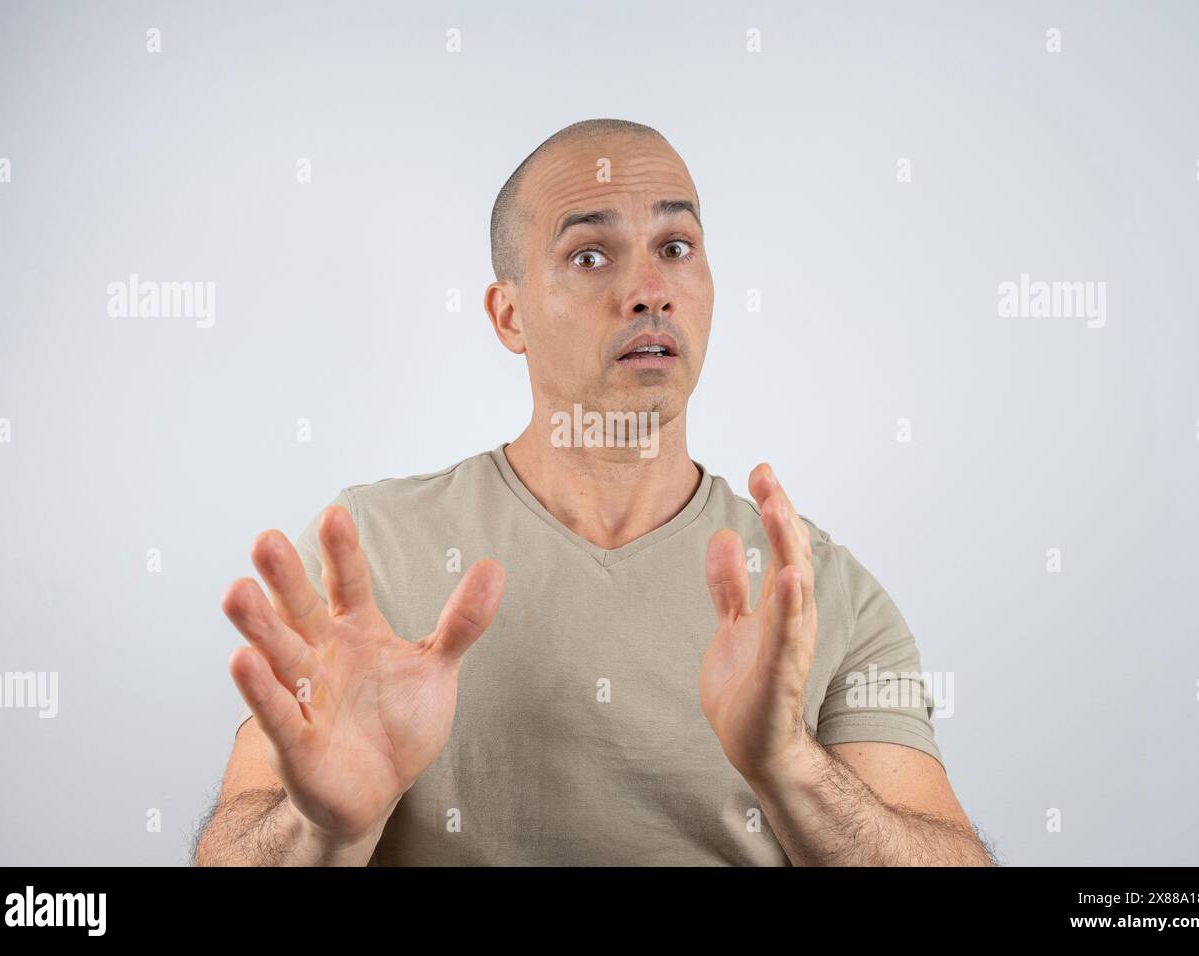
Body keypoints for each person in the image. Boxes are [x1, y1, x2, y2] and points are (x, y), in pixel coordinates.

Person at [193, 118, 994, 866]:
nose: (649, 290)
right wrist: (326, 827)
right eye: (590, 256)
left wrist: (791, 768)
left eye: (676, 247)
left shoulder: (819, 591)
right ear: (509, 316)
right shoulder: (364, 555)